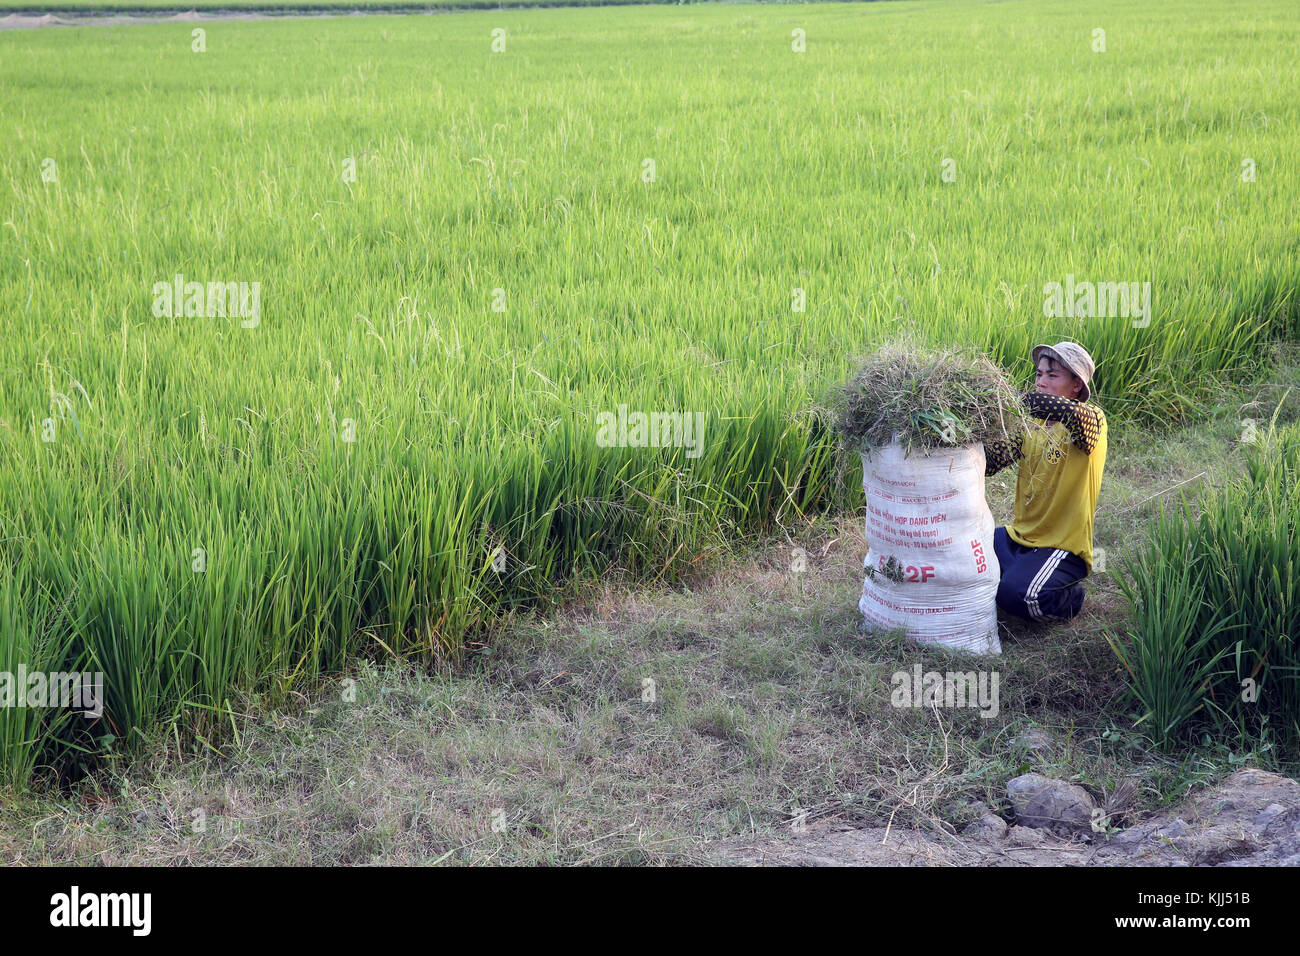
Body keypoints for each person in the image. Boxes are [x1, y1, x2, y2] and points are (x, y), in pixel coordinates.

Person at [983, 342, 1107, 622]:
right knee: (964, 550)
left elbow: (1045, 405)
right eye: (1039, 374)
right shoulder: (1029, 427)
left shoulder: (1090, 422)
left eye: (1052, 376)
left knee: (1017, 595)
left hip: (1061, 547)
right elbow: (991, 462)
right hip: (1018, 536)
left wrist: (1007, 400)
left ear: (1076, 385)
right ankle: (1019, 571)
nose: (1041, 382)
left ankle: (1069, 599)